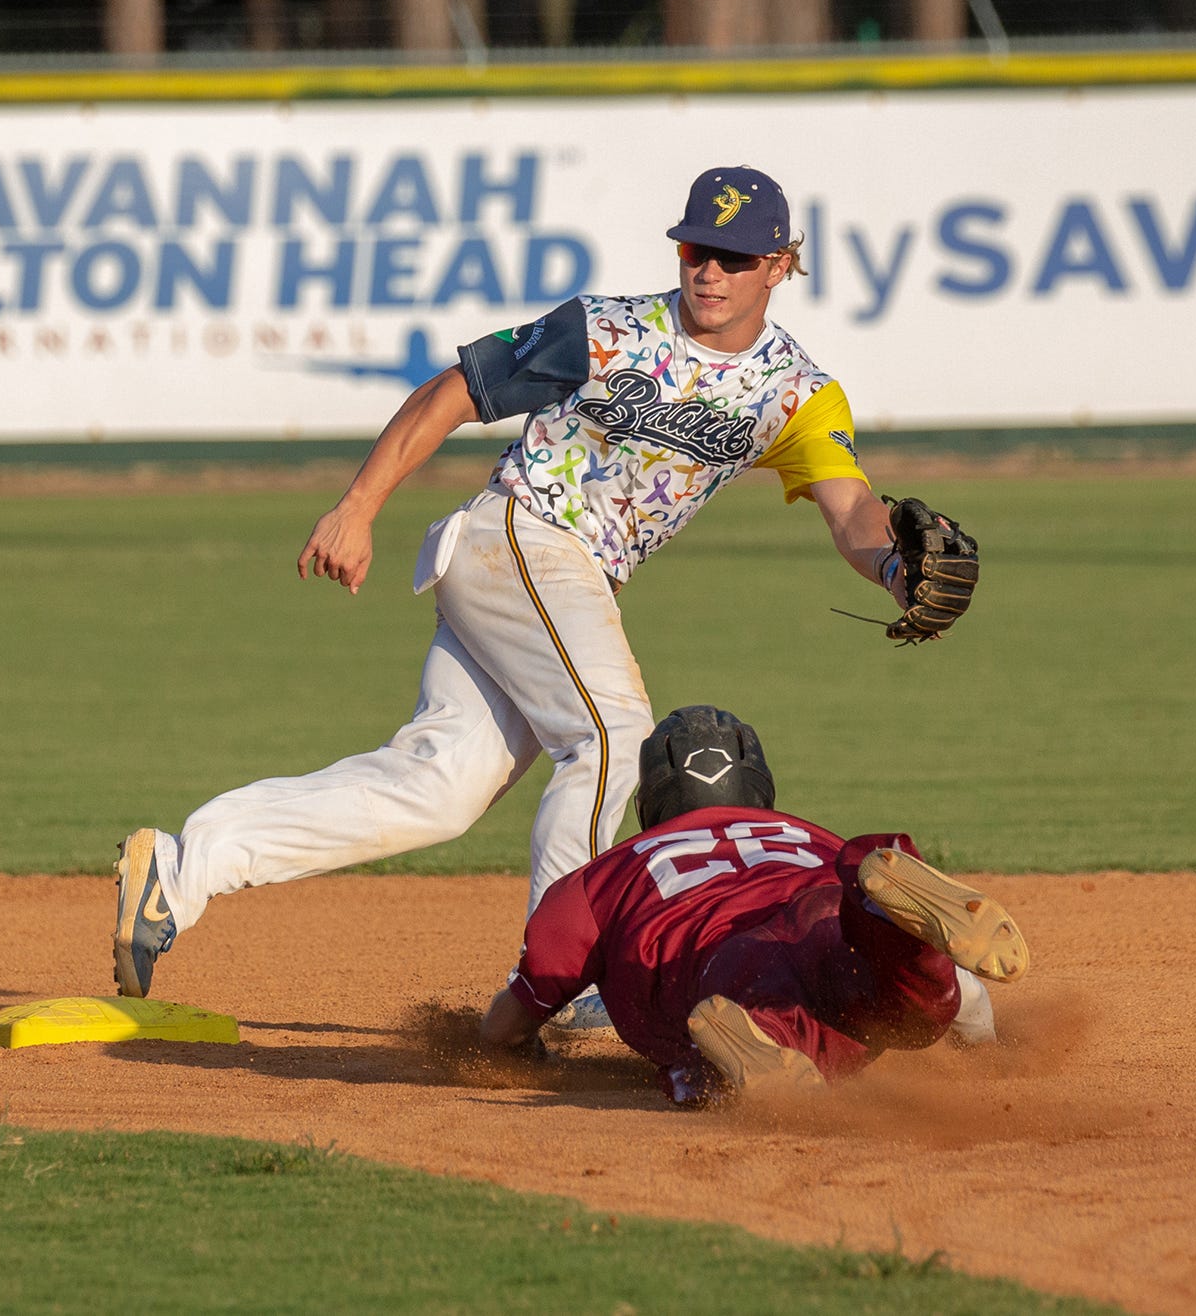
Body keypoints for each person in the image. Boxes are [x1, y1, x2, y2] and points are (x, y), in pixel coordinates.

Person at [114, 165, 927, 1002]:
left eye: (734, 254)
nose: (708, 270)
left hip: (568, 578)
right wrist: (357, 508)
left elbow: (851, 510)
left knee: (434, 791)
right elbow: (454, 391)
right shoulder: (607, 331)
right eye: (696, 248)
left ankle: (178, 870)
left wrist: (898, 571)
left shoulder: (796, 392)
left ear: (780, 264)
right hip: (520, 535)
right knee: (610, 735)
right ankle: (563, 976)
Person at [478, 706, 1027, 1105]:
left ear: (651, 801)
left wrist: (504, 1045)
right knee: (896, 994)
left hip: (718, 955)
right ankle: (894, 924)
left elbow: (513, 1020)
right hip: (824, 913)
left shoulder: (598, 879)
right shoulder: (805, 832)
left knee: (752, 1024)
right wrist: (988, 1048)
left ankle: (758, 1042)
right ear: (758, 787)